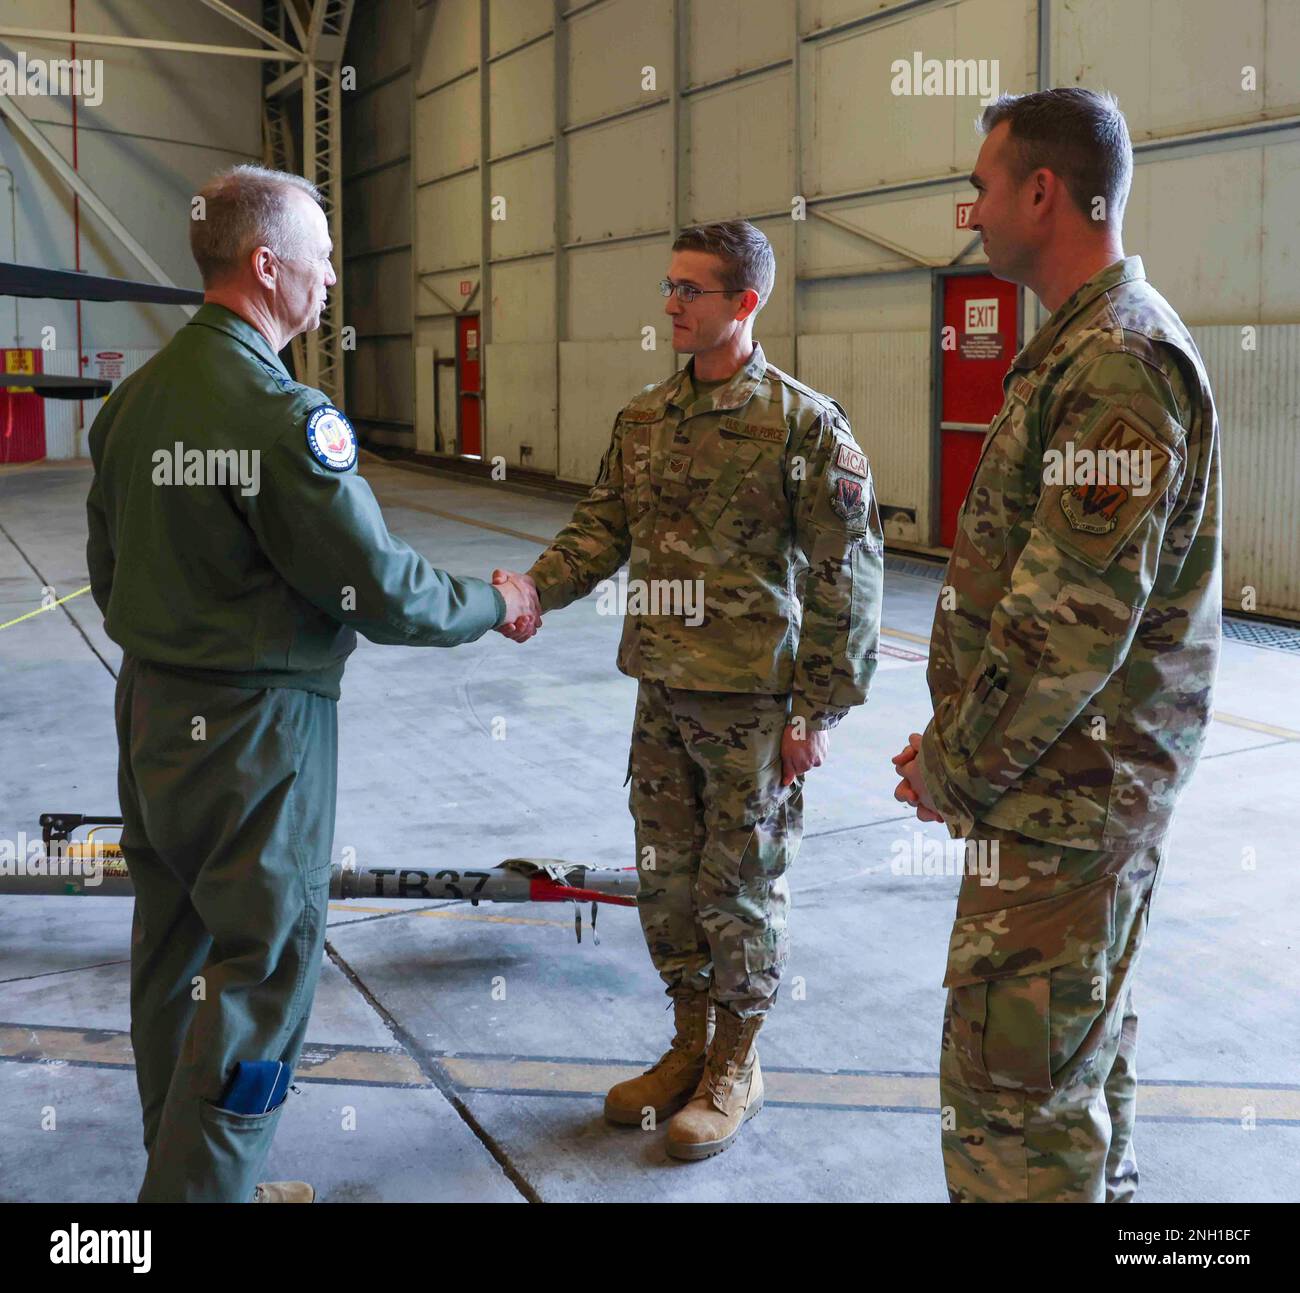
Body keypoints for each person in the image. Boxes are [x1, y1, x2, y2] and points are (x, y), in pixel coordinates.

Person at [85, 163, 537, 1203]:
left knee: (173, 956)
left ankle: (195, 1178)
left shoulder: (132, 404)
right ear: (266, 264)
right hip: (259, 741)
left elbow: (108, 581)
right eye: (323, 260)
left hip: (153, 716)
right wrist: (496, 602)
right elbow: (380, 591)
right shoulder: (282, 418)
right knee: (262, 978)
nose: (334, 280)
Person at [892, 89, 1222, 1202]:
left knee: (1011, 1107)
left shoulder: (1117, 363)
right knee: (1068, 1059)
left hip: (1066, 795)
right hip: (1057, 788)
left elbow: (1065, 630)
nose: (970, 213)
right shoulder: (1080, 350)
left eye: (981, 188)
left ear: (1041, 191)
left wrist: (955, 764)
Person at [495, 220, 884, 1160]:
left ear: (745, 303)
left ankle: (737, 1062)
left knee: (739, 888)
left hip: (754, 706)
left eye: (691, 291)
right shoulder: (644, 420)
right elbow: (600, 530)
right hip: (662, 694)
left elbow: (848, 573)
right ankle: (688, 1045)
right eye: (668, 287)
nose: (671, 305)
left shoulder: (802, 425)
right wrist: (532, 588)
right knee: (669, 884)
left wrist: (819, 708)